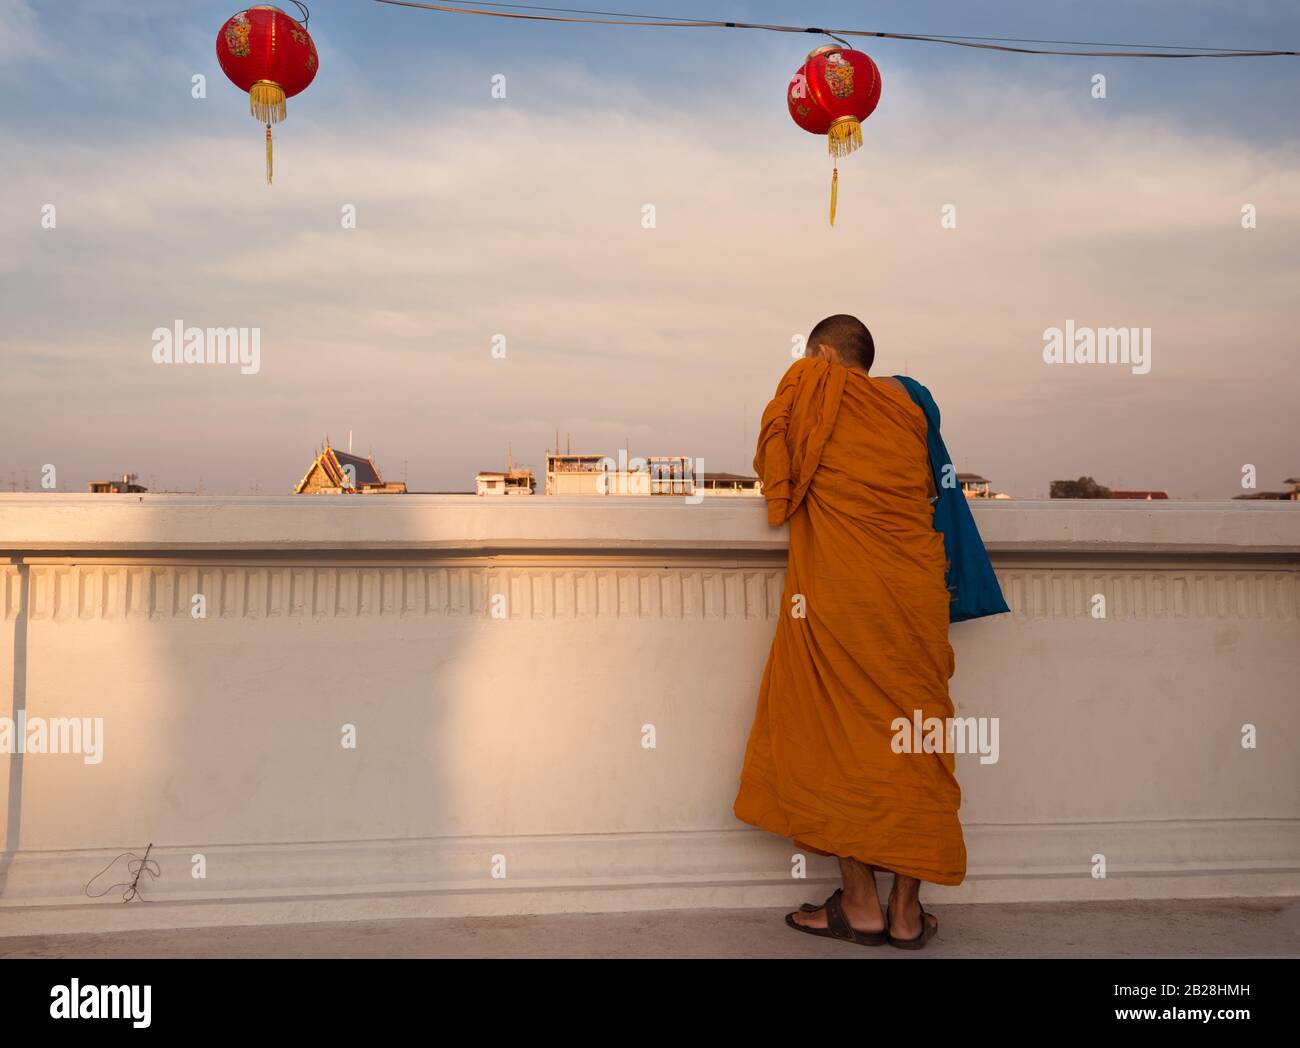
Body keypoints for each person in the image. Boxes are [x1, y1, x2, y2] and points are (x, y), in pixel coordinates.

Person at [732, 313, 965, 949]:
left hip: (839, 597)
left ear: (822, 354)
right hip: (915, 592)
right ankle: (908, 915)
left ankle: (861, 906)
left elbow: (776, 469)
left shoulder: (811, 380)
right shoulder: (911, 402)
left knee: (836, 736)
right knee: (918, 738)